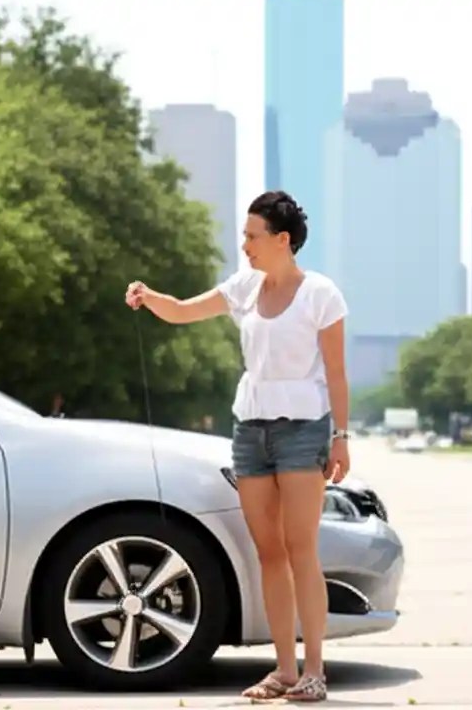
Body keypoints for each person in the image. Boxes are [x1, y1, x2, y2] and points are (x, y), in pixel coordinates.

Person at [124, 190, 350, 702]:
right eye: (244, 235)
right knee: (268, 551)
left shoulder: (321, 294)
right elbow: (183, 311)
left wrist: (341, 437)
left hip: (303, 430)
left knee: (300, 549)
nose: (244, 245)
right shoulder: (243, 287)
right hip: (251, 430)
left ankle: (315, 670)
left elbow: (336, 372)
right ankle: (285, 671)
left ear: (282, 240)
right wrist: (150, 296)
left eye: (252, 236)